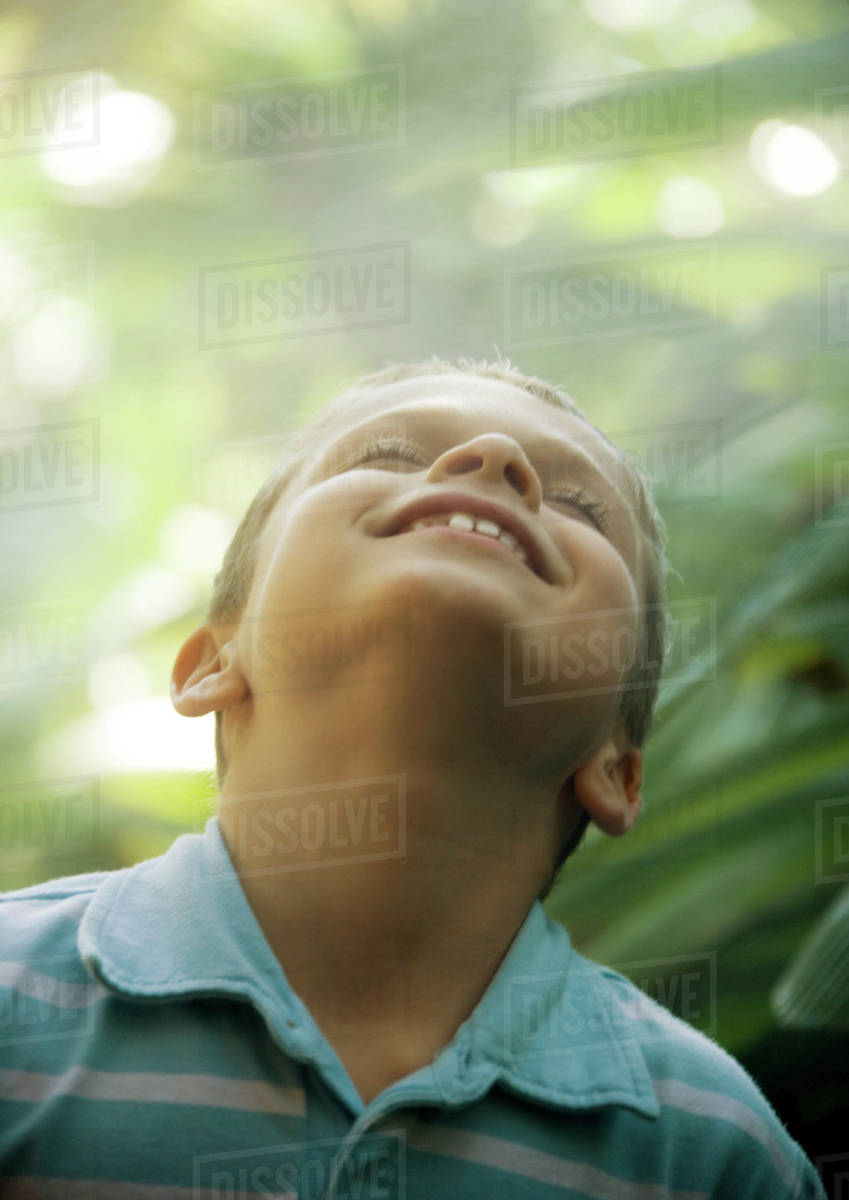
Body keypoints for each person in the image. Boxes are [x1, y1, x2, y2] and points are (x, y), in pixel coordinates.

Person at [0, 359, 826, 1197]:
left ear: (615, 770)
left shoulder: (710, 1149)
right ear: (213, 662)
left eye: (579, 507)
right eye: (388, 453)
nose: (497, 456)